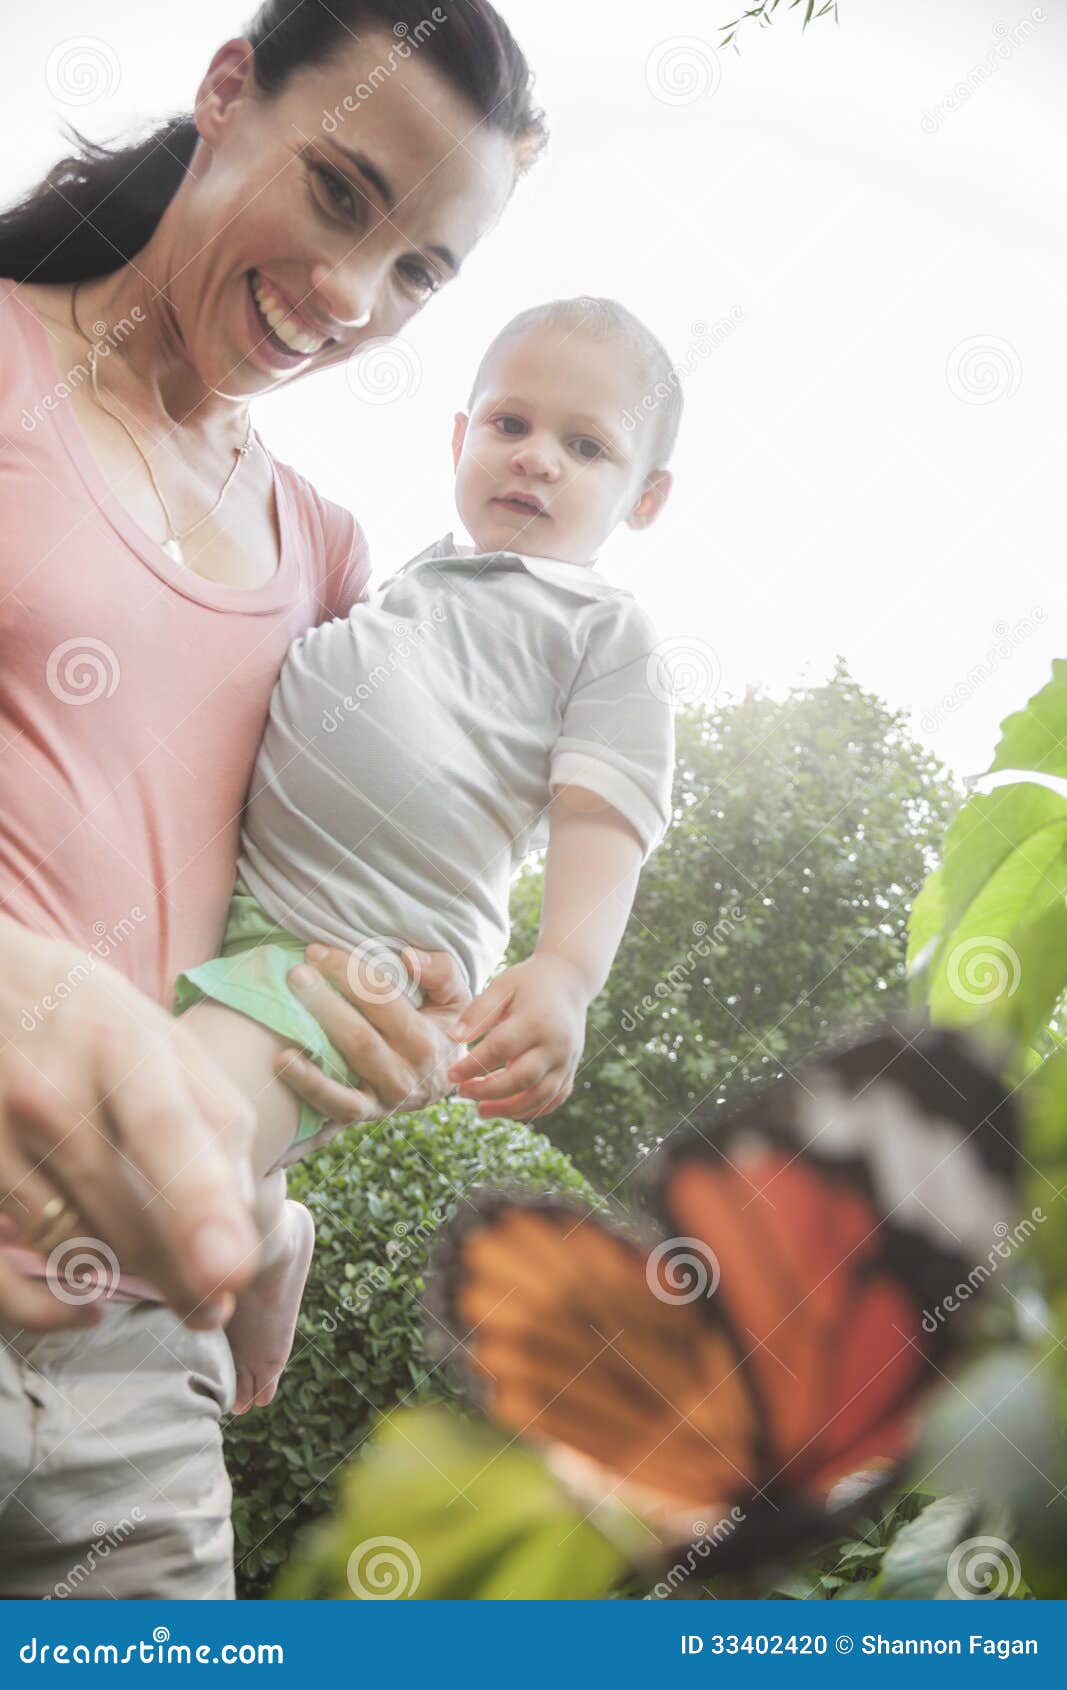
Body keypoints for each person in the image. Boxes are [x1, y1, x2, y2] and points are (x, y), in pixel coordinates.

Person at [0, 0, 545, 1598]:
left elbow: (282, 926)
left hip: (137, 1363)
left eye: (416, 274)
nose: (346, 298)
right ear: (227, 92)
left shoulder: (324, 555)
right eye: (338, 195)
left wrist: (333, 1068)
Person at [174, 296, 681, 1414]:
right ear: (458, 441)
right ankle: (268, 1234)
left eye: (585, 445)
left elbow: (605, 813)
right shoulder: (414, 578)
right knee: (196, 1101)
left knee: (167, 1128)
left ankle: (226, 1260)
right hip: (239, 906)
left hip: (365, 959)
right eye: (509, 424)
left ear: (642, 498)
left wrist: (562, 974)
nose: (535, 457)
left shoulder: (601, 631)